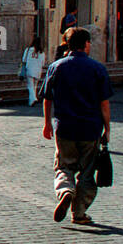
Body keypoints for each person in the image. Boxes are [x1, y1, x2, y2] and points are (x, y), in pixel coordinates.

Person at [42, 27, 112, 226]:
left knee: (64, 165)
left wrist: (47, 123)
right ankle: (79, 212)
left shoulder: (56, 67)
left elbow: (47, 99)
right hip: (90, 128)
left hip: (64, 127)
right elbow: (104, 103)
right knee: (87, 171)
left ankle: (65, 190)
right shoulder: (98, 69)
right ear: (87, 44)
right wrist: (107, 129)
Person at [21, 35, 46, 106]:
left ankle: (33, 98)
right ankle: (31, 101)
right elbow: (43, 63)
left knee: (30, 86)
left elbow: (24, 59)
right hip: (38, 70)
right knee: (34, 85)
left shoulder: (28, 50)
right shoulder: (42, 52)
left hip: (29, 69)